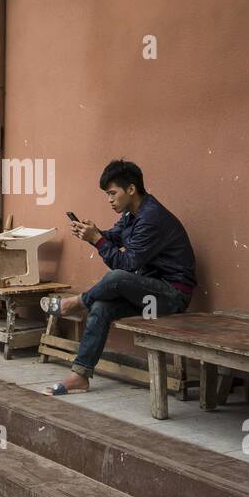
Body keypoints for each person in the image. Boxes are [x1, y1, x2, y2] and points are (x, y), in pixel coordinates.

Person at [40, 159, 196, 395]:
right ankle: (80, 376)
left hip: (171, 296)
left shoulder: (151, 218)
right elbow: (115, 237)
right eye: (107, 194)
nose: (110, 199)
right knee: (101, 307)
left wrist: (97, 240)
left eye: (113, 193)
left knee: (116, 277)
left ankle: (75, 303)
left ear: (131, 189)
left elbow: (128, 264)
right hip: (148, 293)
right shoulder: (131, 214)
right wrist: (94, 233)